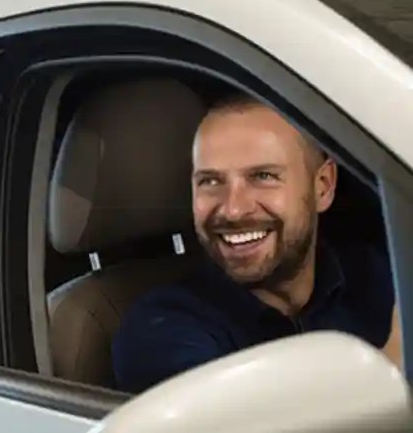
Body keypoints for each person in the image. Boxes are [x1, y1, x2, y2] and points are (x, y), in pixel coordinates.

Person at [111, 91, 401, 394]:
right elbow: (259, 432)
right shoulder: (161, 330)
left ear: (323, 187)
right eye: (210, 182)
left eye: (263, 176)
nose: (234, 209)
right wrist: (393, 366)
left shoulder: (377, 274)